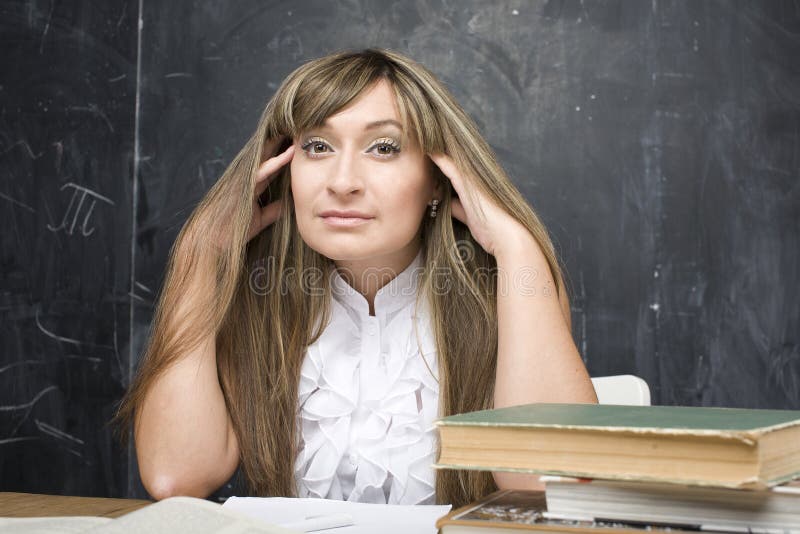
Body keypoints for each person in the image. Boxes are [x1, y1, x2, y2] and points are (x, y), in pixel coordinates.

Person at [115, 48, 597, 508]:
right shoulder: (250, 297)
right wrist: (197, 264)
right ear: (284, 167)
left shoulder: (502, 291)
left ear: (437, 178)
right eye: (317, 146)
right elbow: (174, 475)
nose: (343, 181)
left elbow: (547, 477)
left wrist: (517, 248)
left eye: (383, 147)